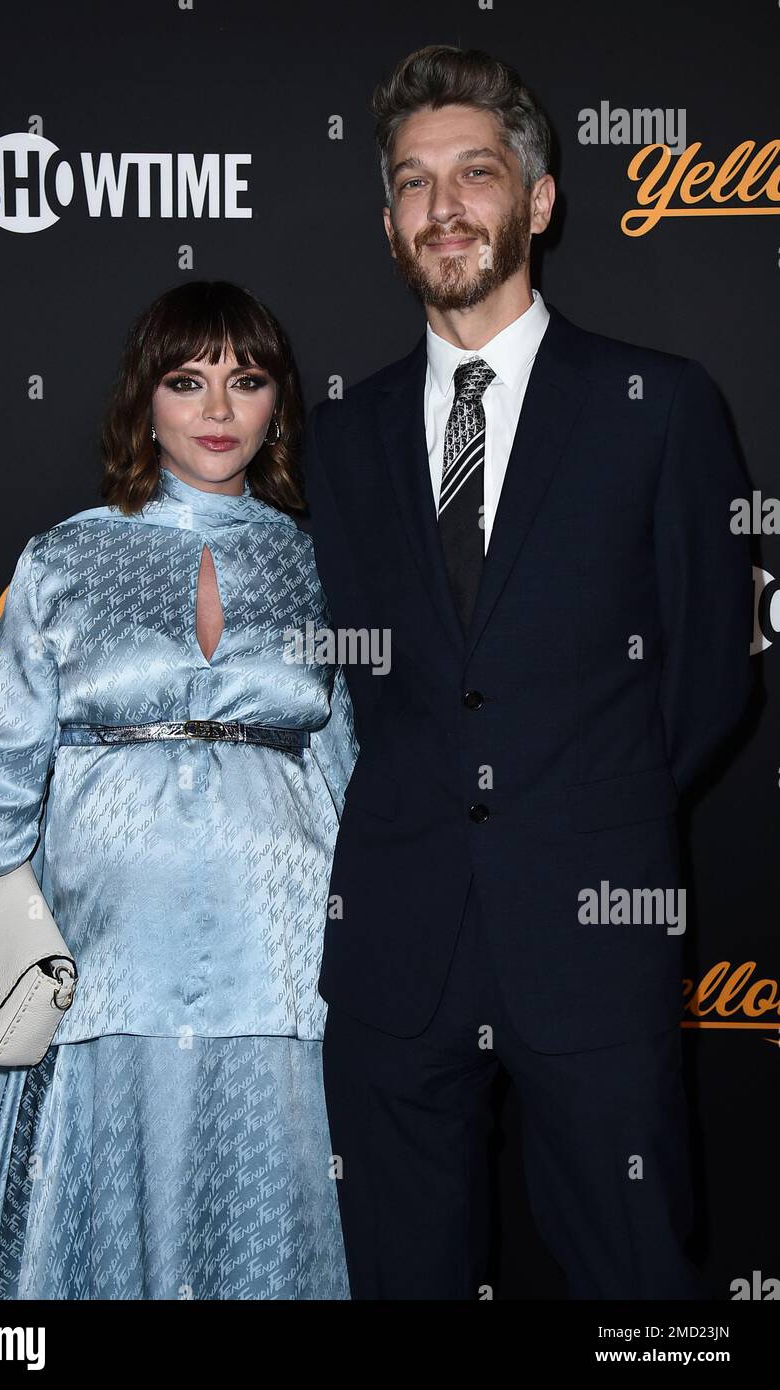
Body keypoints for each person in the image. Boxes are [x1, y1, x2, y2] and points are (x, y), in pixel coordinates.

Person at [304, 45, 754, 1299]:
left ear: (538, 200)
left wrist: (584, 812)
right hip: (396, 947)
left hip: (591, 937)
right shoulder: (339, 436)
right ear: (388, 218)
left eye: (475, 174)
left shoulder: (655, 406)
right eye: (412, 183)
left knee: (640, 1292)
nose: (443, 207)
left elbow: (709, 674)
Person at [0, 279, 356, 1300]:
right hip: (102, 939)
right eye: (187, 382)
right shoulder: (65, 555)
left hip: (278, 941)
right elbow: (5, 760)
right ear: (143, 401)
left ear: (278, 401)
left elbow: (352, 765)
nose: (219, 411)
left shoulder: (325, 563)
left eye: (247, 381)